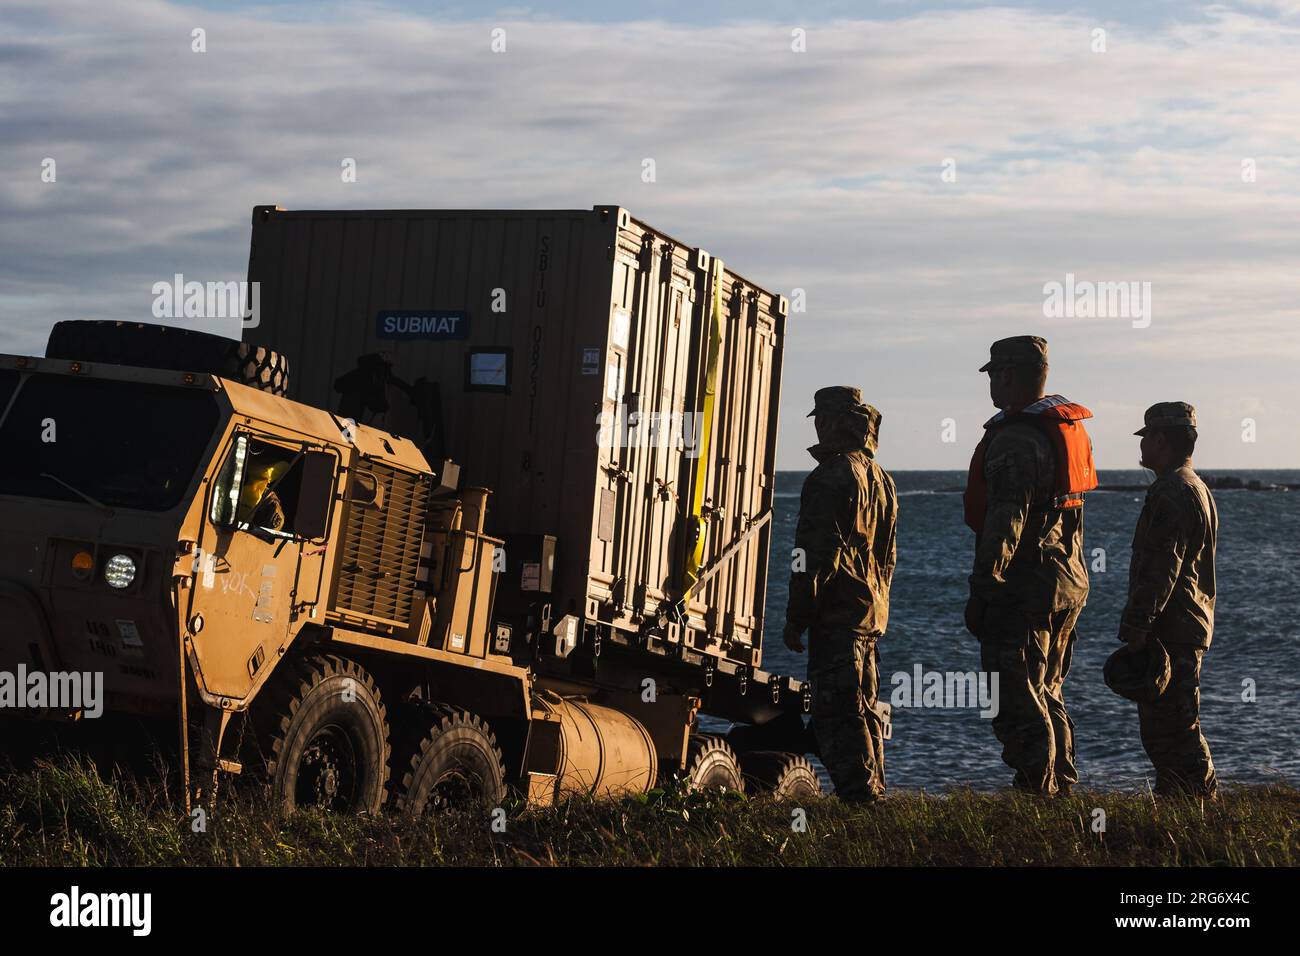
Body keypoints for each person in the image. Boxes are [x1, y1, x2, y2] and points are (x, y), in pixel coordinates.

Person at [962, 336, 1096, 795]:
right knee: (1048, 692)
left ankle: (1036, 792)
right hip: (1065, 585)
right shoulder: (1060, 431)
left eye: (995, 374)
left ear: (1010, 375)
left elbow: (1006, 523)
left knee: (1016, 697)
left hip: (1024, 590)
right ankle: (1061, 787)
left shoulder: (1016, 440)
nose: (991, 385)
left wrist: (984, 591)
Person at [782, 386, 897, 802]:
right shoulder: (882, 479)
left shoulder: (831, 476)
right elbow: (888, 558)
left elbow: (812, 557)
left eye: (820, 418)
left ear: (831, 422)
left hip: (838, 618)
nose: (817, 425)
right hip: (869, 614)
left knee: (837, 715)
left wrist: (797, 616)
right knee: (864, 712)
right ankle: (874, 794)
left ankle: (861, 799)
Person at [1119, 402, 1218, 798]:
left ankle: (1195, 805)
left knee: (1173, 728)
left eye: (1147, 438)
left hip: (1172, 629)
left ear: (1160, 441)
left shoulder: (1172, 491)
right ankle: (1183, 803)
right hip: (1188, 625)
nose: (1143, 448)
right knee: (1173, 725)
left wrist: (1139, 626)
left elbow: (1162, 566)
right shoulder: (1195, 486)